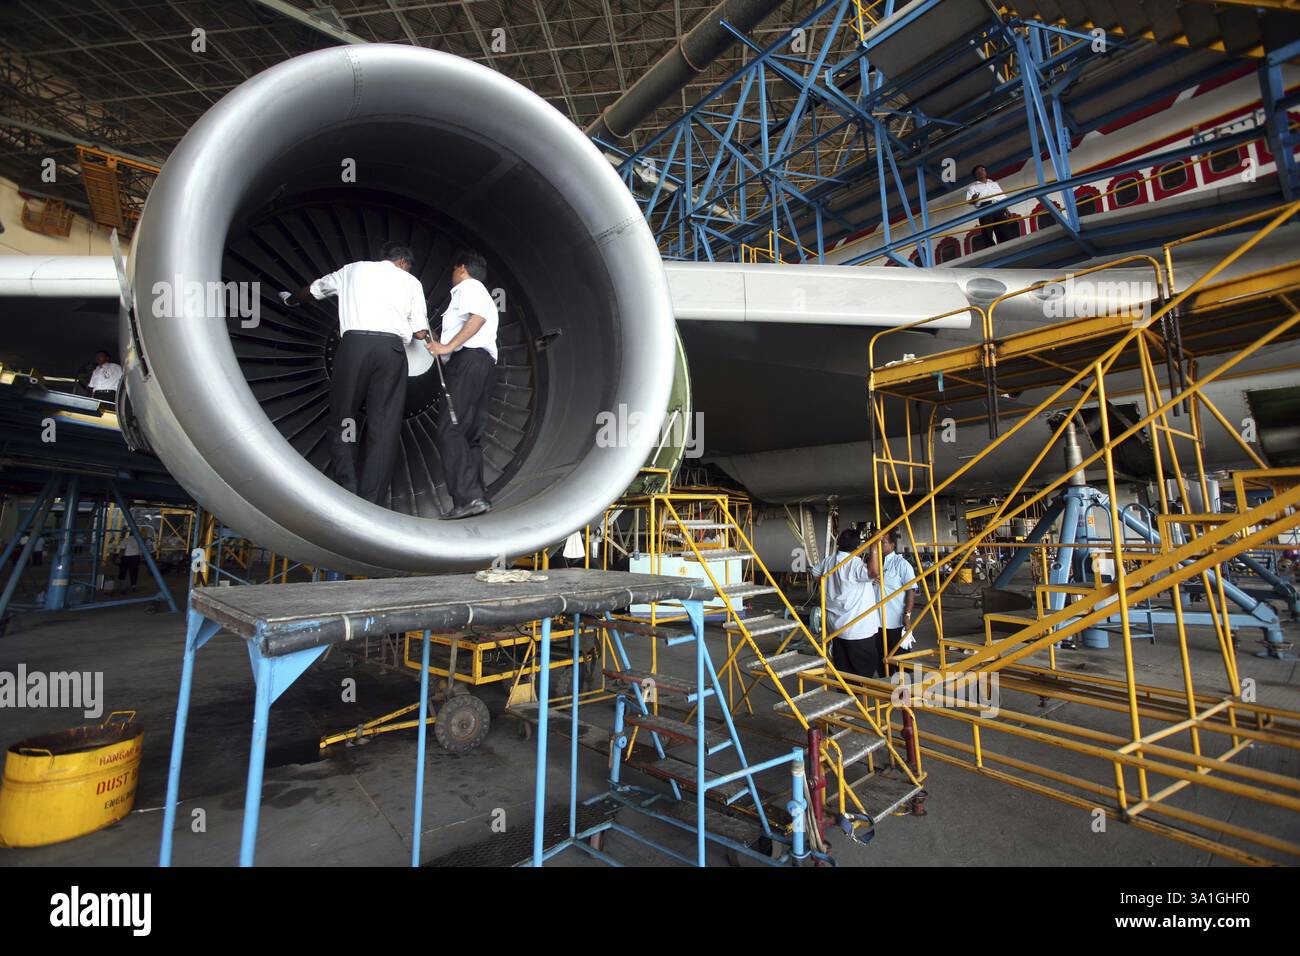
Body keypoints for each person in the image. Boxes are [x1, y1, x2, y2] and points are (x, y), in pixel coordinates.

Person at [282, 242, 431, 505]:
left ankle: (347, 487)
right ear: (405, 263)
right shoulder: (411, 283)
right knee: (384, 426)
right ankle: (371, 501)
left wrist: (292, 299)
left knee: (344, 418)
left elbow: (315, 290)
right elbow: (419, 331)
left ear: (384, 258)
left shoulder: (354, 270)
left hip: (354, 348)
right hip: (391, 351)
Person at [426, 250, 499, 520]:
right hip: (482, 364)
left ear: (462, 268)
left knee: (450, 430)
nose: (452, 276)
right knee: (470, 436)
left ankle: (468, 499)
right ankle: (478, 496)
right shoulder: (481, 293)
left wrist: (448, 345)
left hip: (467, 362)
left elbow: (476, 318)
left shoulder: (469, 287)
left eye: (453, 270)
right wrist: (437, 338)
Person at [812, 529, 882, 679]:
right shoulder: (854, 564)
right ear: (858, 547)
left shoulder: (828, 561)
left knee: (843, 672)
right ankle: (859, 699)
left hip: (836, 629)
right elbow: (873, 573)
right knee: (864, 672)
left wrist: (828, 585)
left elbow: (815, 572)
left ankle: (846, 698)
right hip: (859, 629)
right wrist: (874, 547)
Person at [876, 529, 918, 675]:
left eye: (884, 542)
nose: (880, 545)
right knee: (881, 663)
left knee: (902, 664)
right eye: (878, 542)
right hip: (876, 624)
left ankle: (904, 694)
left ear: (893, 545)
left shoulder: (901, 564)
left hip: (895, 622)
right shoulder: (872, 565)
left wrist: (907, 614)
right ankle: (886, 689)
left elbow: (911, 590)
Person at [966, 165, 1020, 247]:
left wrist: (1006, 209)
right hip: (985, 207)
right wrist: (974, 199)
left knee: (1003, 228)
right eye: (978, 172)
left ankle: (1007, 246)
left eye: (982, 170)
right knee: (987, 231)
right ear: (975, 175)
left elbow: (1001, 197)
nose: (981, 172)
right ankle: (990, 248)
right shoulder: (972, 187)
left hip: (999, 206)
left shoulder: (994, 183)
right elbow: (970, 202)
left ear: (986, 172)